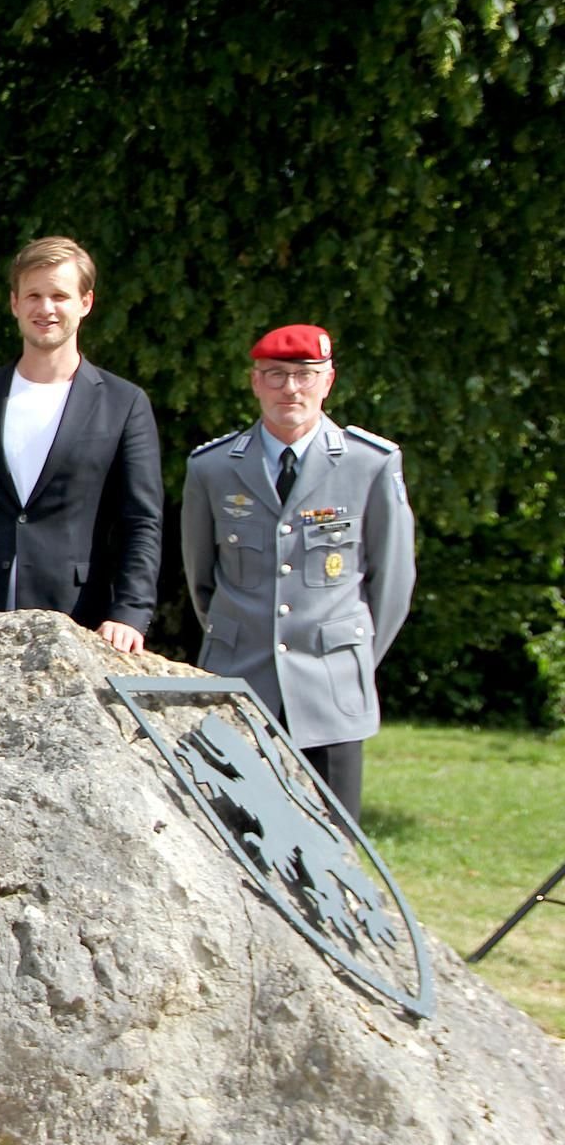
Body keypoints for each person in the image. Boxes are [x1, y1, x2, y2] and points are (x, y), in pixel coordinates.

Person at [181, 323, 415, 821]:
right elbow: (202, 580)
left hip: (330, 689)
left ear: (328, 381)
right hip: (240, 683)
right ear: (255, 382)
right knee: (237, 840)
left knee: (333, 846)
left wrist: (351, 657)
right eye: (276, 375)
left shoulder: (369, 463)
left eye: (305, 375)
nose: (291, 388)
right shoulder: (212, 468)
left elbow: (393, 583)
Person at [0, 237, 164, 651]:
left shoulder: (123, 403)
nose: (46, 308)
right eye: (34, 295)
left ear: (85, 303)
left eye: (59, 296)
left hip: (80, 618)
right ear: (14, 303)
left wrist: (129, 612)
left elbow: (140, 521)